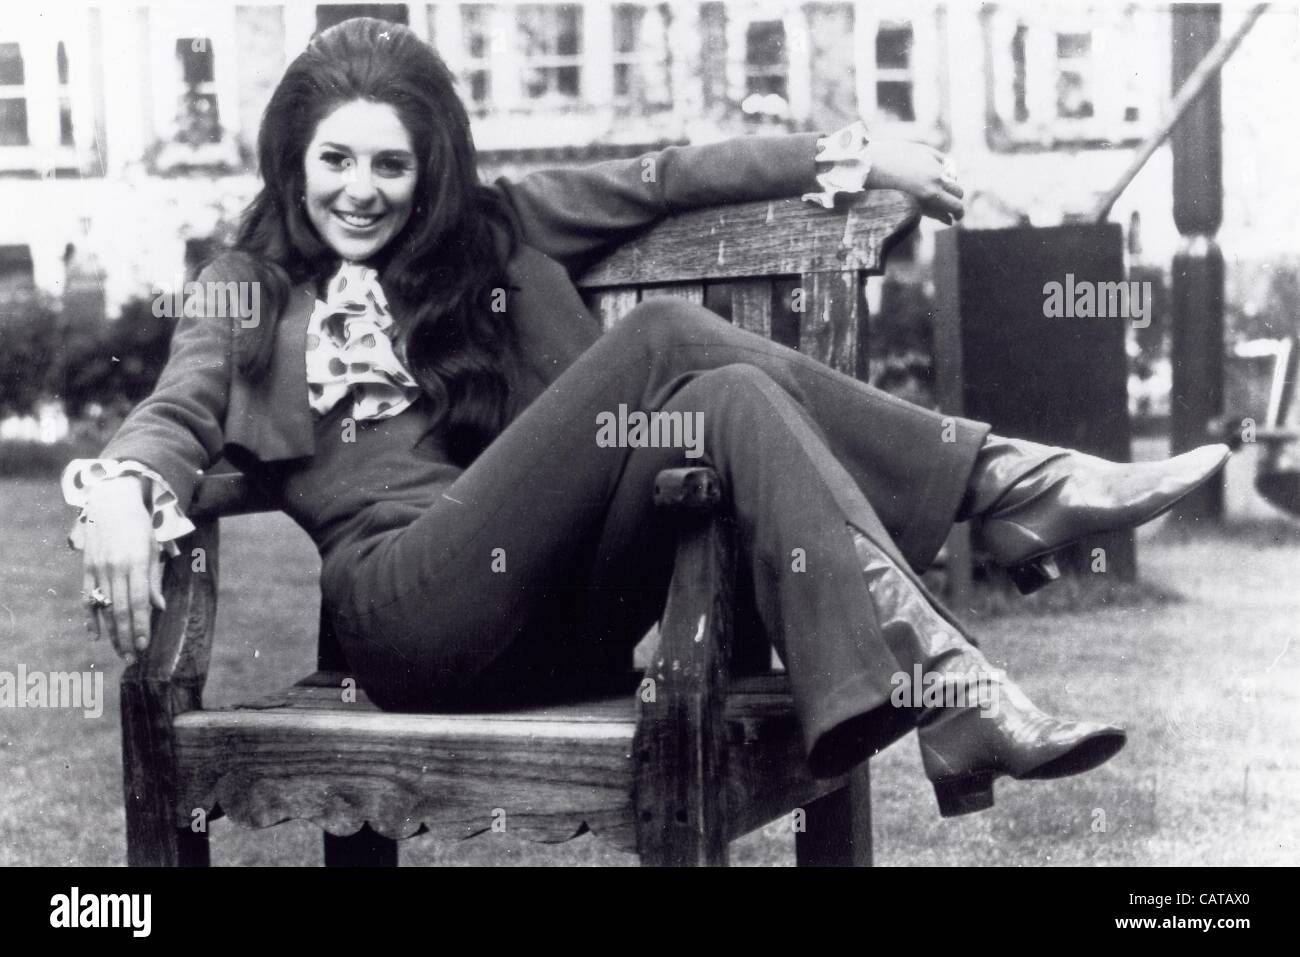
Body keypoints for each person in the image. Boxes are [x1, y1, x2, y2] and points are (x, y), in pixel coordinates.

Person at [63, 18, 1228, 817]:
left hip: (566, 615)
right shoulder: (246, 281)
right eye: (335, 160)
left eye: (393, 165)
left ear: (431, 171)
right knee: (671, 347)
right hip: (410, 621)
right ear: (292, 159)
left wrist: (851, 155)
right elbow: (179, 402)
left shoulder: (495, 232)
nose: (362, 189)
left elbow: (665, 180)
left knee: (720, 391)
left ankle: (949, 692)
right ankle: (1008, 500)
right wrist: (125, 484)